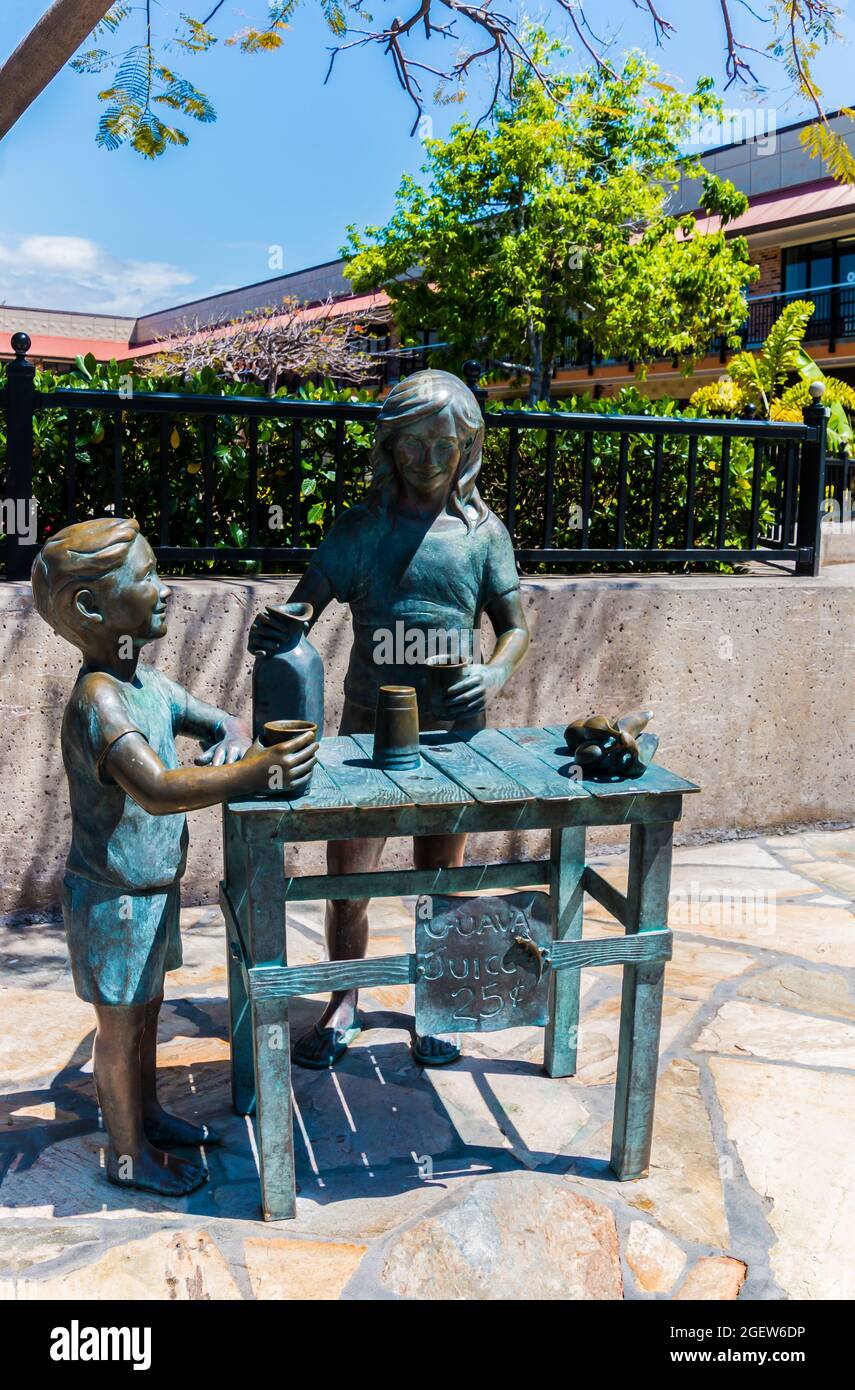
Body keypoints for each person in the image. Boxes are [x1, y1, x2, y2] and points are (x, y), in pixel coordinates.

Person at [249, 369, 530, 1070]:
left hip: (453, 730)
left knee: (445, 878)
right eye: (414, 445)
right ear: (389, 446)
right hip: (369, 730)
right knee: (349, 876)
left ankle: (439, 1000)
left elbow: (514, 627)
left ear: (468, 447)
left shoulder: (481, 533)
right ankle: (343, 998)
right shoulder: (359, 529)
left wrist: (493, 671)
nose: (430, 462)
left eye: (446, 446)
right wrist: (282, 628)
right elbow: (305, 605)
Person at [32, 517, 317, 1196]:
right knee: (120, 1026)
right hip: (113, 897)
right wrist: (252, 773)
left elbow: (225, 721)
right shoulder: (99, 699)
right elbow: (156, 789)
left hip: (151, 889)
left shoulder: (149, 684)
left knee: (148, 1012)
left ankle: (149, 1113)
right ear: (91, 608)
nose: (166, 589)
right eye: (148, 576)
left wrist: (233, 737)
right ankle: (125, 1153)